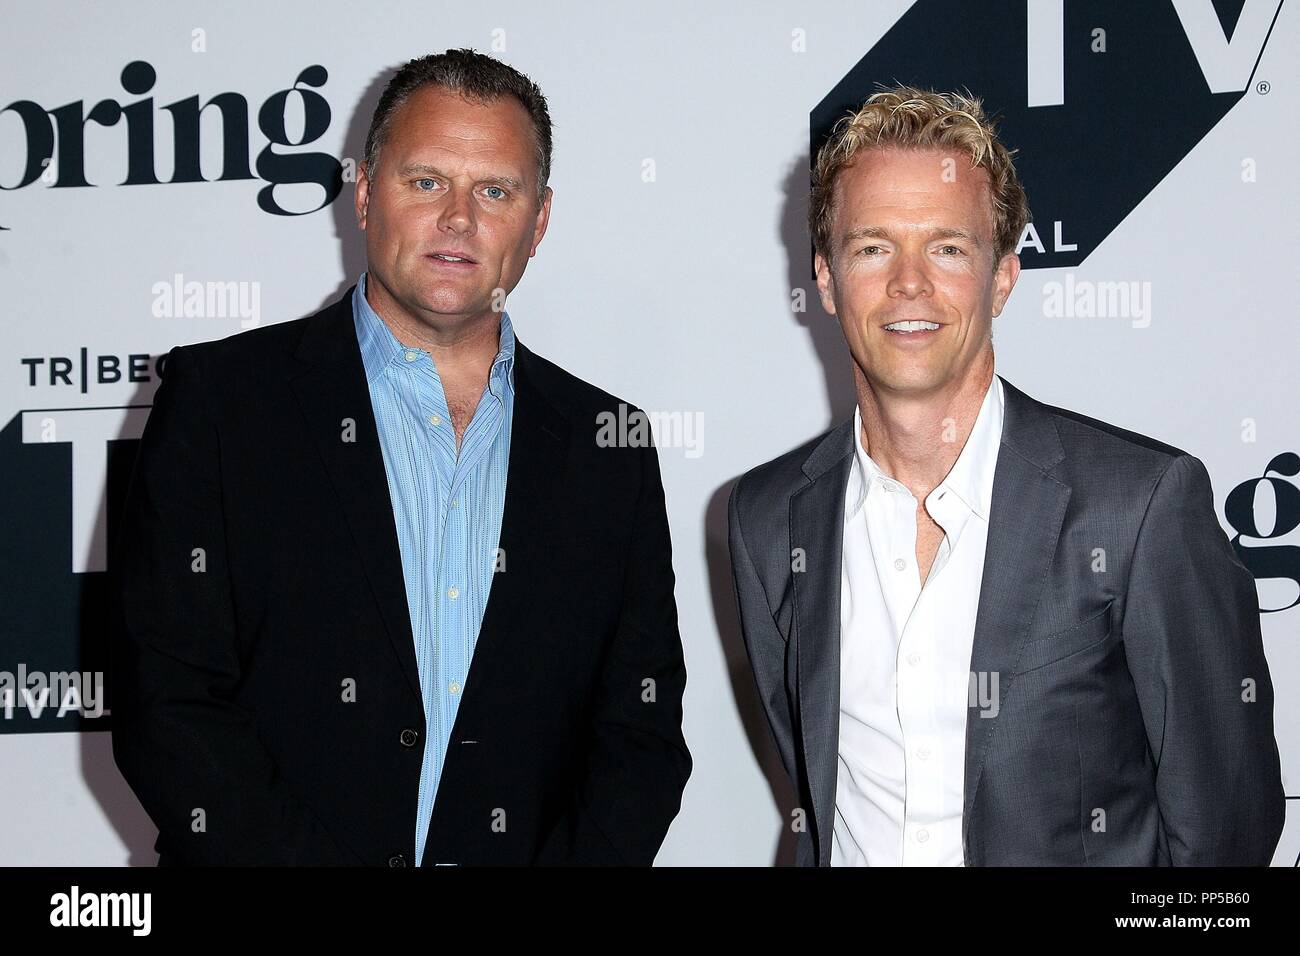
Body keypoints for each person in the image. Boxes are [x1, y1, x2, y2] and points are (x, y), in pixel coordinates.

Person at [112, 49, 691, 866]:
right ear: (364, 193)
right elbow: (166, 707)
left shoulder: (609, 443)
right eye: (426, 181)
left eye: (496, 190)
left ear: (540, 220)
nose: (459, 218)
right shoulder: (221, 403)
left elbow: (641, 736)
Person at [728, 84, 1284, 866]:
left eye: (948, 248)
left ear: (1003, 278)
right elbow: (815, 783)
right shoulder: (765, 517)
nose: (909, 283)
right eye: (873, 247)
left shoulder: (1138, 507)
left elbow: (1227, 833)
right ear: (824, 278)